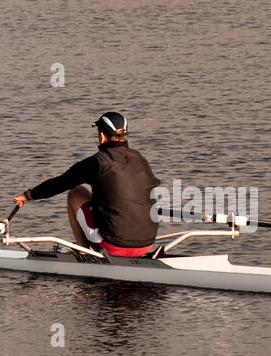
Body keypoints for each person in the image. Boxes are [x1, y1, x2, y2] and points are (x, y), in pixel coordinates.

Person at [13, 112, 161, 261]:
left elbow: (60, 183)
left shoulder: (97, 162)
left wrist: (28, 195)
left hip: (114, 245)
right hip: (147, 243)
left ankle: (83, 252)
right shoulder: (140, 159)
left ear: (102, 136)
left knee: (76, 192)